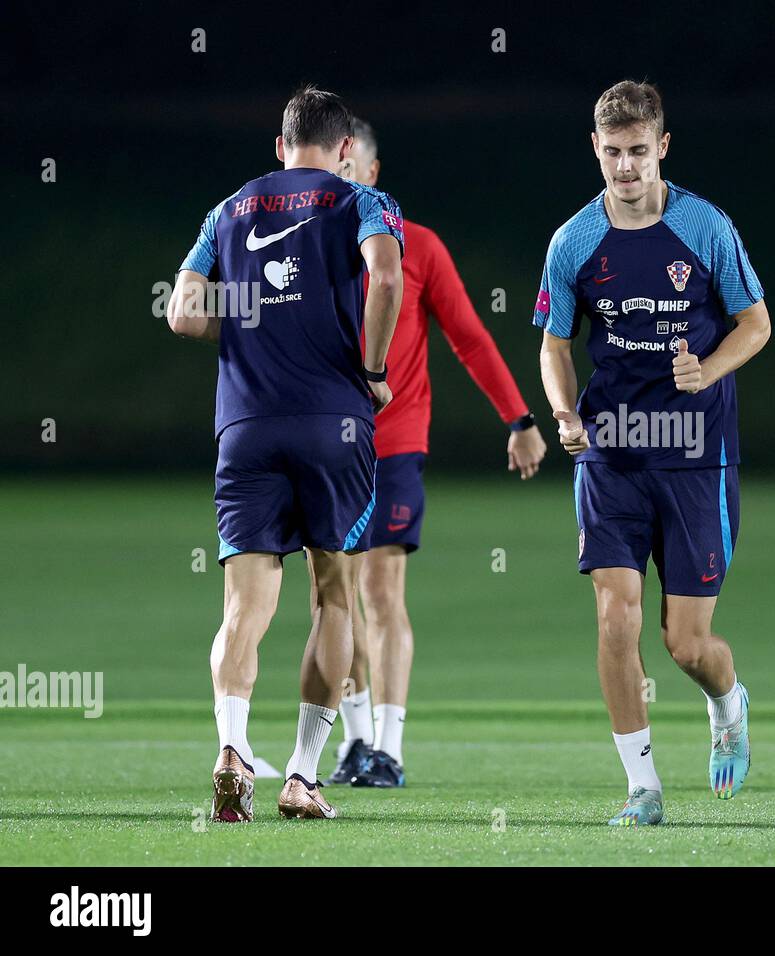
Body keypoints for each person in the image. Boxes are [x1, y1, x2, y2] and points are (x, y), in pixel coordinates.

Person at [534, 80, 771, 825]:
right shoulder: (573, 242)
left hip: (697, 454)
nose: (627, 166)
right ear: (595, 150)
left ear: (662, 147)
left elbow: (756, 323)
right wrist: (564, 411)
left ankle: (727, 702)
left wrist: (709, 368)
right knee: (615, 618)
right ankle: (642, 788)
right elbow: (554, 343)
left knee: (686, 644)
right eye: (613, 152)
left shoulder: (705, 227)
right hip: (612, 453)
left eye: (639, 151)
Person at [167, 86, 404, 821]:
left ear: (280, 146)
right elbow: (386, 276)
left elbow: (182, 314)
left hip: (246, 426)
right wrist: (372, 368)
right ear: (344, 148)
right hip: (334, 424)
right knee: (334, 595)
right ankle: (302, 774)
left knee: (244, 606)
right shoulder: (361, 200)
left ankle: (232, 748)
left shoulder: (229, 208)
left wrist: (249, 326)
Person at [323, 119, 547, 788]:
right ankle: (354, 741)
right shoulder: (307, 248)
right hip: (325, 445)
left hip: (394, 442)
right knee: (333, 593)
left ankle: (388, 748)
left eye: (351, 168)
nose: (341, 179)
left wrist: (519, 418)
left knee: (379, 589)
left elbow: (469, 337)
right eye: (333, 169)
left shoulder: (415, 247)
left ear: (372, 172)